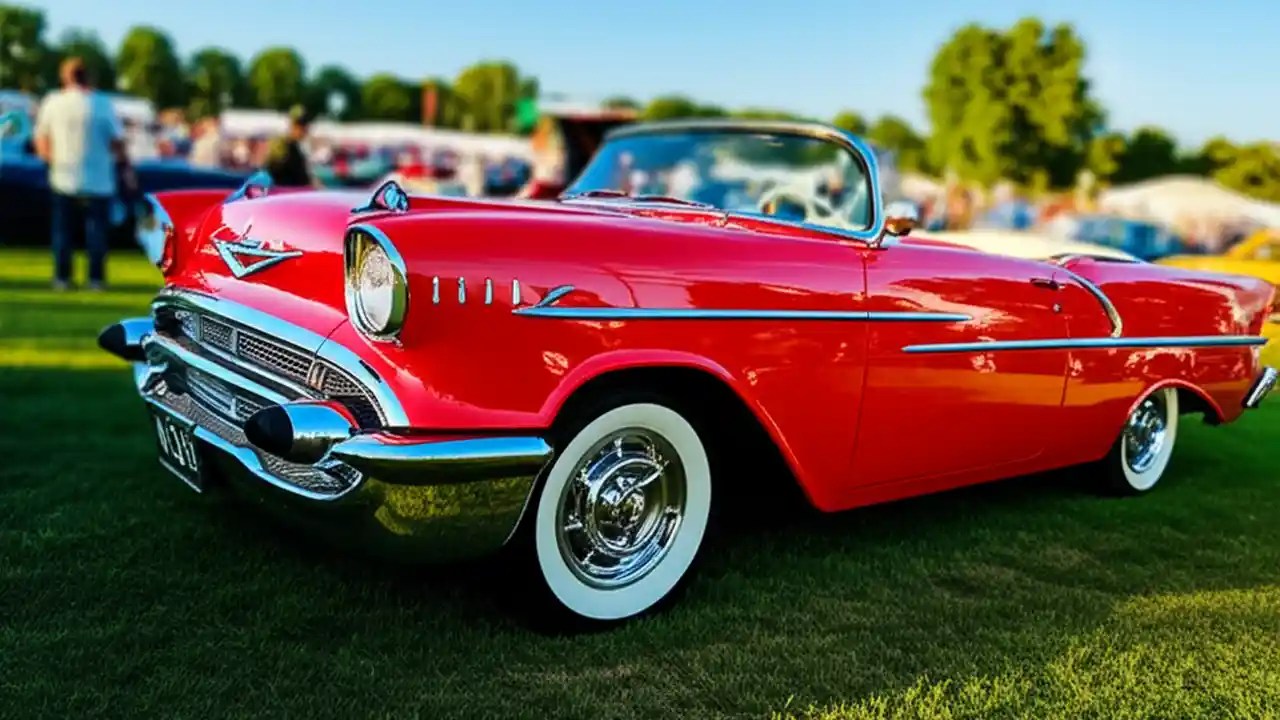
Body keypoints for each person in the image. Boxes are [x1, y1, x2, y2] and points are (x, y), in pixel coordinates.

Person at [34, 57, 131, 292]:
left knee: (63, 232)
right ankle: (95, 280)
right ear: (89, 76)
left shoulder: (53, 102)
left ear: (65, 77)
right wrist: (126, 168)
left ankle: (62, 278)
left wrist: (51, 161)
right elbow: (117, 141)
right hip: (99, 178)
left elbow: (42, 140)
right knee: (96, 232)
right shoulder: (102, 103)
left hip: (64, 175)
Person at [264, 105, 318, 187]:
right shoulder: (280, 146)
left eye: (306, 125)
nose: (305, 129)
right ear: (292, 125)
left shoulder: (297, 149)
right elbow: (272, 172)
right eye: (300, 125)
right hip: (282, 194)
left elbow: (305, 179)